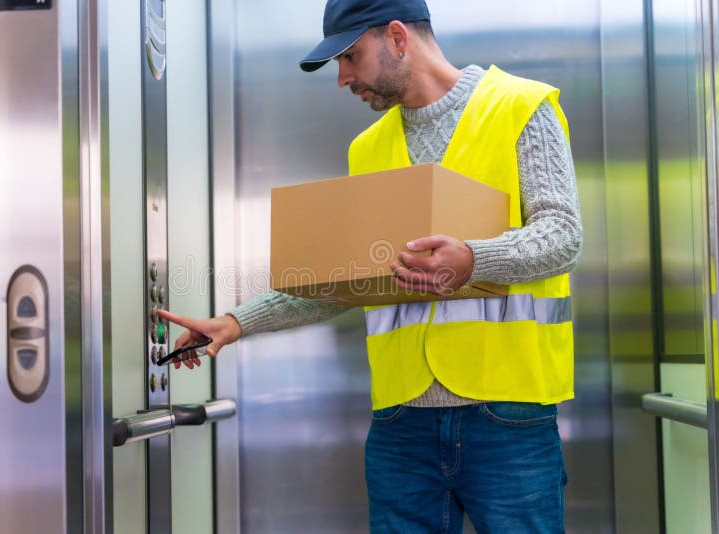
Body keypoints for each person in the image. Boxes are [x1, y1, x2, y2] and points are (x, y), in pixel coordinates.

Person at [159, 0, 582, 531]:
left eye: (350, 57)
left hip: (509, 415)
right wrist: (236, 322)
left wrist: (474, 259)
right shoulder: (368, 149)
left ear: (398, 38)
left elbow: (563, 234)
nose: (342, 78)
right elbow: (344, 282)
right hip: (401, 425)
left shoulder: (520, 106)